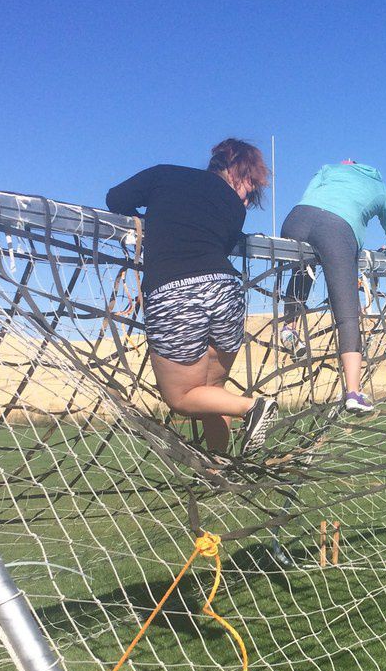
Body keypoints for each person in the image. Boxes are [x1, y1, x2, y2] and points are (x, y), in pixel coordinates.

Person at [106, 139, 277, 454]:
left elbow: (115, 199)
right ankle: (218, 467)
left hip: (176, 292)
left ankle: (253, 408)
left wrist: (154, 219)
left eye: (253, 192)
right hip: (226, 291)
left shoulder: (164, 175)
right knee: (213, 391)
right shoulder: (232, 208)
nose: (247, 195)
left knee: (181, 397)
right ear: (229, 165)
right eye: (248, 181)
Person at [280, 160, 386, 414]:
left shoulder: (328, 169)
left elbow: (310, 196)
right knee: (347, 314)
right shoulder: (378, 185)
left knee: (305, 266)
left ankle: (289, 329)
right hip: (337, 229)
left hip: (295, 219)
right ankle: (353, 392)